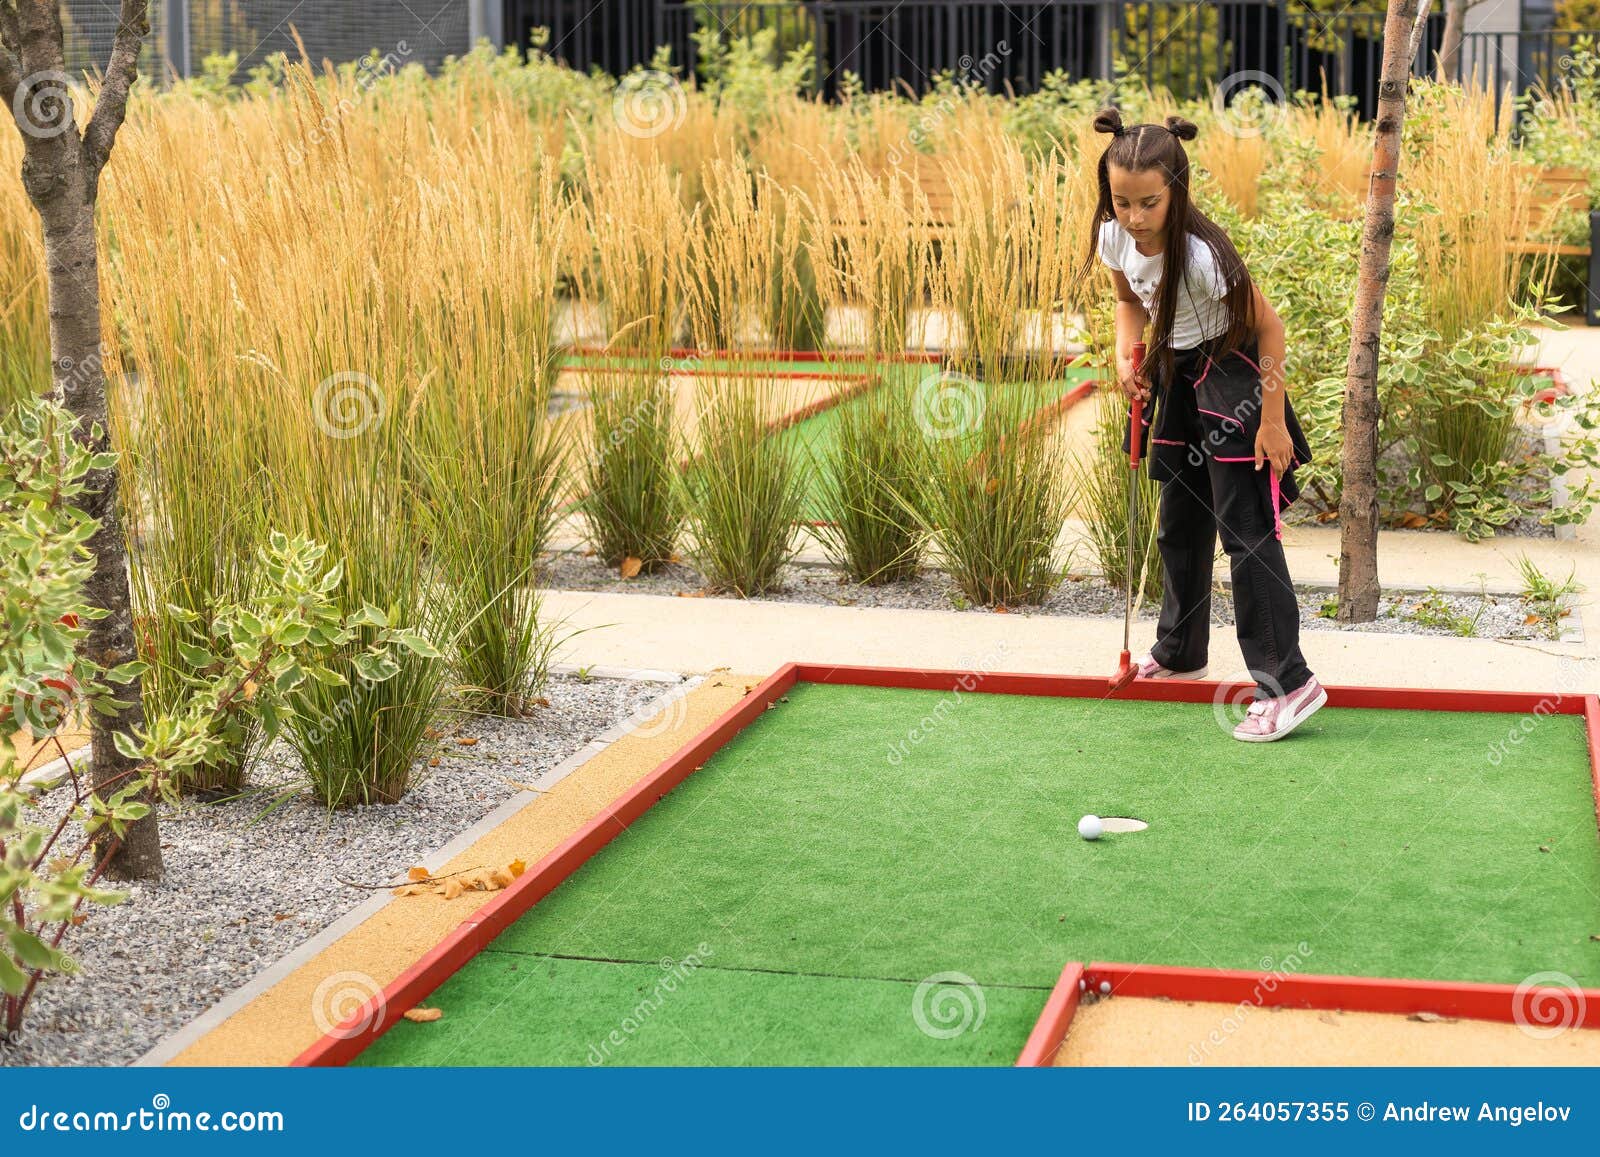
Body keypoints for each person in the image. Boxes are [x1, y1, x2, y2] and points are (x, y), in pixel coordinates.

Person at [1085, 106, 1326, 742]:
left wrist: (1271, 422)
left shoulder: (1202, 257)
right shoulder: (1114, 234)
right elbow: (1127, 301)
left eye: (1149, 203)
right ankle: (1180, 649)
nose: (1134, 217)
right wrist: (1125, 356)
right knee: (1181, 521)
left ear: (1176, 192)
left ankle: (1288, 683)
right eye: (1122, 201)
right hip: (1177, 372)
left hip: (1234, 379)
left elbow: (1269, 327)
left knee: (1246, 533)